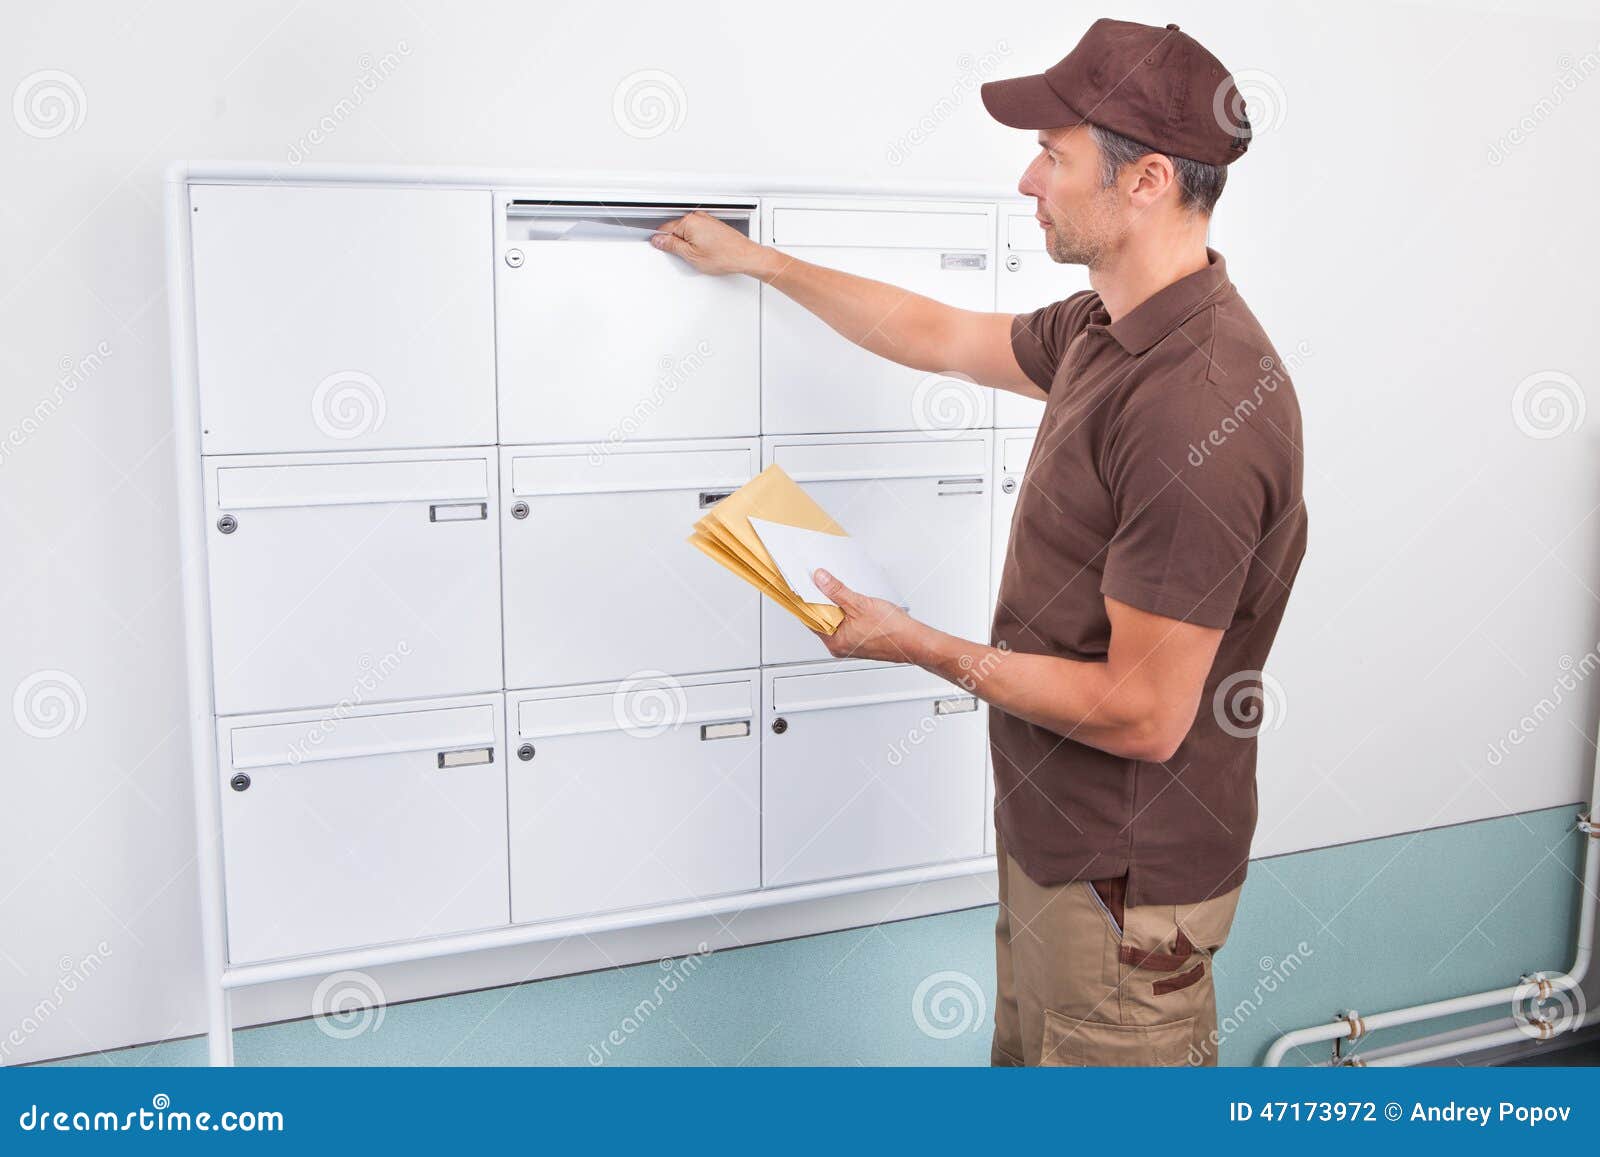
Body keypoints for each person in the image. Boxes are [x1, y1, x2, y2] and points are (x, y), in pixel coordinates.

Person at [651, 17, 1307, 1066]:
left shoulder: (1196, 403)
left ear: (1142, 181)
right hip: (1058, 844)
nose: (1026, 181)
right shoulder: (1110, 328)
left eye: (1052, 154)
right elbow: (941, 335)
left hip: (1123, 882)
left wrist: (919, 644)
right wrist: (760, 261)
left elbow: (1145, 714)